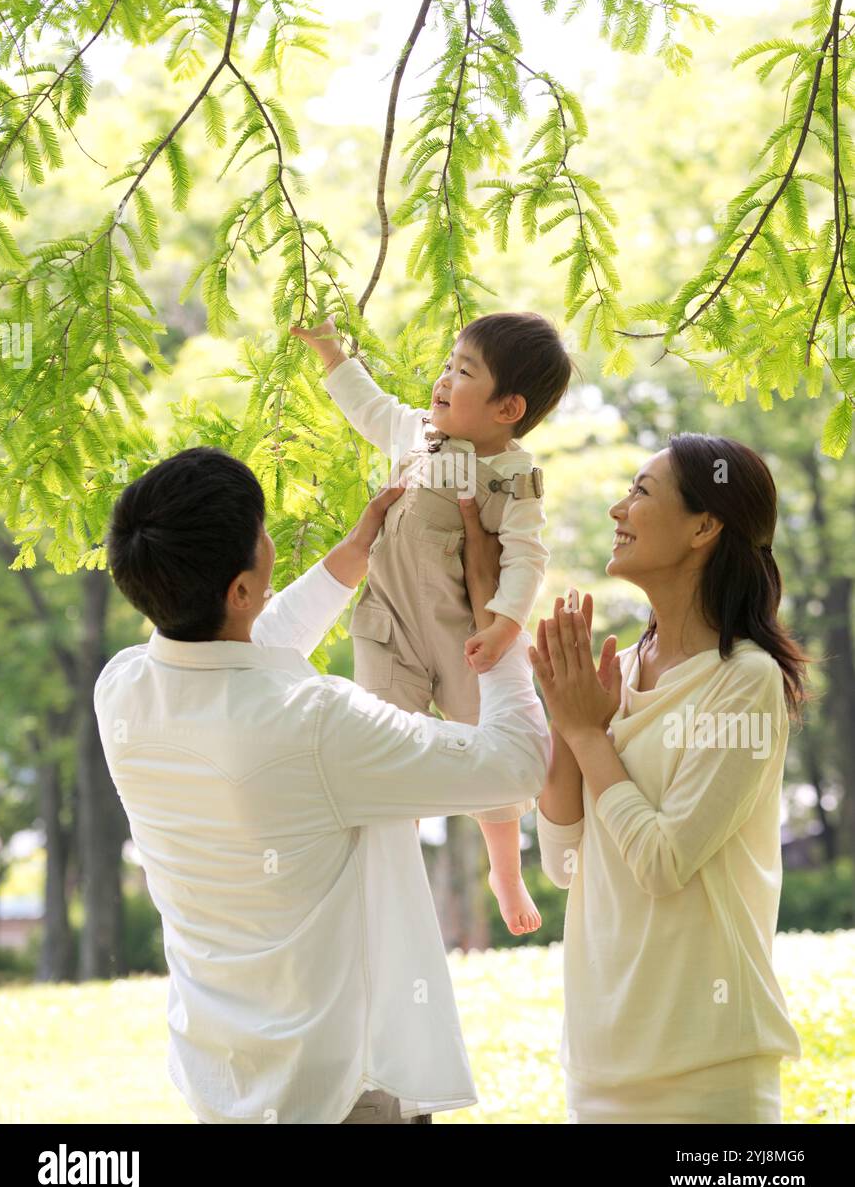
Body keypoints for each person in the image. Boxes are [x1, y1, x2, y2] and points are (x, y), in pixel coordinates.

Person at [93, 446, 549, 1124]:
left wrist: (349, 560)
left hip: (219, 1077)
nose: (269, 542)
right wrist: (494, 622)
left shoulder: (123, 690)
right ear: (241, 589)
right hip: (338, 1090)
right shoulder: (316, 723)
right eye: (261, 537)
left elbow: (244, 652)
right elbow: (514, 762)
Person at [465, 433, 806, 1124]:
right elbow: (565, 863)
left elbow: (660, 860)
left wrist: (590, 734)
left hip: (706, 1071)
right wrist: (568, 721)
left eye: (641, 492)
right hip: (599, 1062)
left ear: (703, 527)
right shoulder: (619, 674)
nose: (619, 509)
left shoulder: (743, 681)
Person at [290, 311, 572, 935]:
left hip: (467, 635)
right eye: (448, 365)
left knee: (488, 741)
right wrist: (332, 354)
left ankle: (503, 867)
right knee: (387, 743)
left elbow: (527, 556)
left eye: (464, 372)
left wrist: (503, 623)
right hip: (388, 627)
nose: (443, 380)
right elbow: (369, 406)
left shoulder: (512, 476)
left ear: (508, 408)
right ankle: (393, 873)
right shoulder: (415, 433)